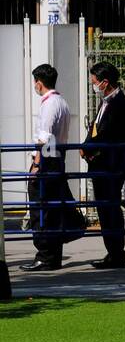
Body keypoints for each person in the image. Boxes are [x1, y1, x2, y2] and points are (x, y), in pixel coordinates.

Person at [20, 65, 76, 271]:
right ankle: (53, 256)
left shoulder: (49, 104)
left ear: (39, 82)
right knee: (52, 209)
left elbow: (44, 138)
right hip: (57, 158)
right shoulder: (61, 102)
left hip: (47, 160)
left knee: (40, 208)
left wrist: (36, 165)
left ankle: (44, 255)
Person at [85, 61, 125, 269]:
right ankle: (113, 252)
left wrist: (88, 147)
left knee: (110, 209)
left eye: (95, 82)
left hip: (110, 167)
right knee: (105, 209)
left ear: (105, 82)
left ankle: (116, 253)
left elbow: (107, 134)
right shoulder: (106, 102)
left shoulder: (118, 104)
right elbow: (97, 128)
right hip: (102, 166)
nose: (94, 85)